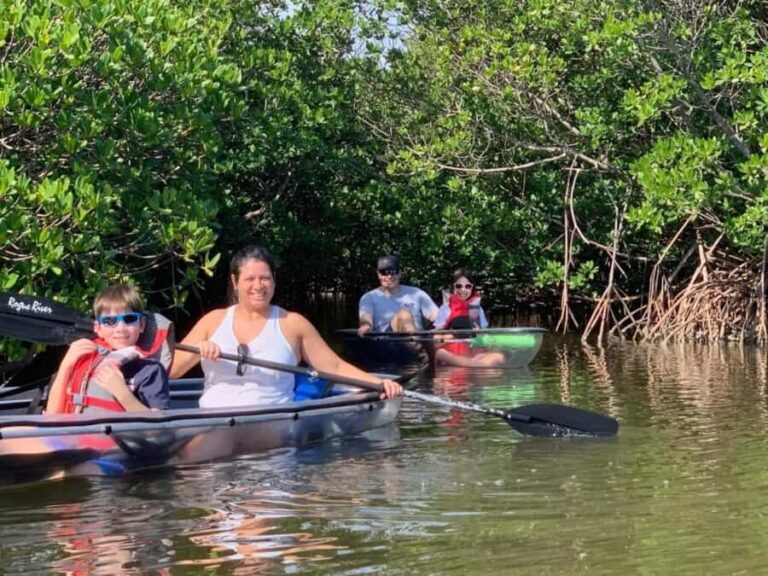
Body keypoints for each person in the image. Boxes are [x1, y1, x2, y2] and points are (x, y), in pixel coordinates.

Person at [170, 245, 402, 407]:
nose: (258, 286)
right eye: (249, 279)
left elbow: (333, 366)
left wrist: (379, 384)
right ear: (235, 281)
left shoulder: (293, 324)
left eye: (265, 278)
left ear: (274, 280)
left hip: (273, 426)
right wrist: (198, 350)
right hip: (214, 421)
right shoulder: (212, 321)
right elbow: (171, 371)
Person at [47, 284, 171, 413]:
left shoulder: (151, 370)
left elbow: (157, 424)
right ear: (98, 328)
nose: (120, 328)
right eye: (109, 321)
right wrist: (66, 365)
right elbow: (52, 415)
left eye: (129, 319)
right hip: (76, 426)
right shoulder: (85, 360)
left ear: (142, 325)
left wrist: (122, 393)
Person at [433, 269, 505, 367]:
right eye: (458, 286)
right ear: (453, 287)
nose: (463, 290)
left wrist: (482, 338)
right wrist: (455, 335)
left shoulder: (478, 309)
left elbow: (484, 337)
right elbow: (435, 341)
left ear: (472, 288)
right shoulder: (445, 308)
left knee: (499, 356)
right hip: (452, 353)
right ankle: (475, 365)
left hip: (474, 352)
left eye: (467, 286)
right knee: (440, 353)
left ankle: (474, 364)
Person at [358, 255, 439, 336]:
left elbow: (437, 315)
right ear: (378, 275)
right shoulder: (369, 298)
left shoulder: (416, 293)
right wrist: (366, 327)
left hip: (420, 339)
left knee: (443, 334)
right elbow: (366, 321)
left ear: (399, 273)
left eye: (393, 272)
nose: (389, 276)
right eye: (384, 273)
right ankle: (415, 343)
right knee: (404, 315)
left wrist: (441, 322)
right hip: (386, 340)